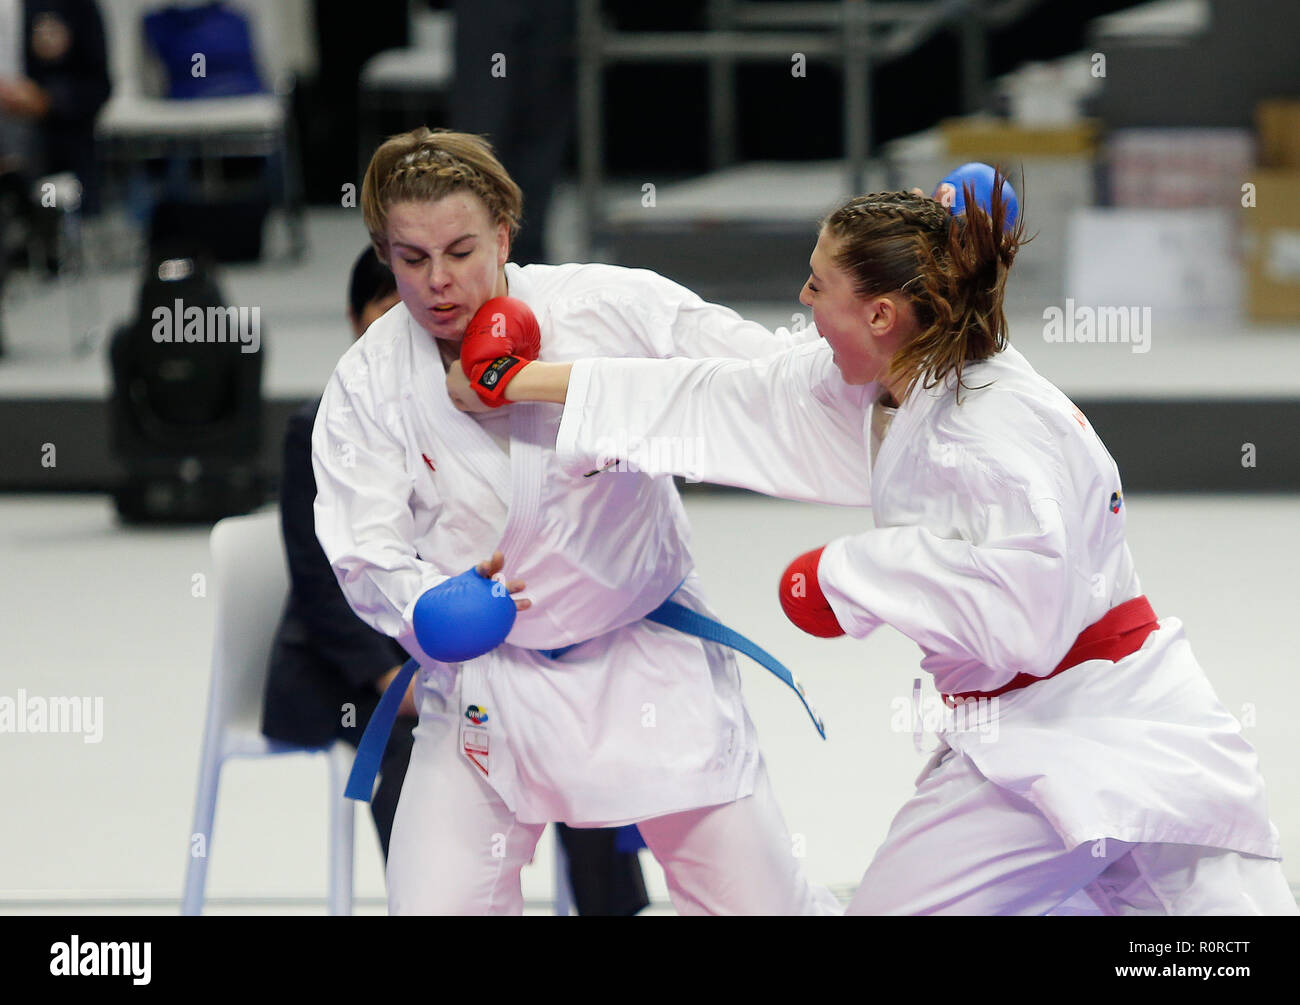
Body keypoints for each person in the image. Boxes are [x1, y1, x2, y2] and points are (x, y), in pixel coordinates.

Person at [481, 183, 1299, 916]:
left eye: (817, 283)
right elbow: (713, 393)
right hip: (1040, 728)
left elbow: (1029, 605)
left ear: (879, 314)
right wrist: (525, 380)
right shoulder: (898, 384)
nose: (801, 298)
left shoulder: (995, 431)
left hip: (1089, 726)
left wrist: (847, 575)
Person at [310, 127, 838, 915]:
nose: (439, 282)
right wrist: (425, 604)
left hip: (648, 657)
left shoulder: (604, 309)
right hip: (491, 685)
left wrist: (894, 350)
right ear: (384, 254)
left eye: (460, 251)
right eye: (411, 259)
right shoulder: (368, 384)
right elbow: (362, 544)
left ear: (503, 234)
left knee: (765, 907)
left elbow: (756, 373)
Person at [263, 247, 414, 861]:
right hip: (342, 672)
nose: (402, 318)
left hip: (435, 651)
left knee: (565, 712)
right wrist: (389, 676)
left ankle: (613, 908)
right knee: (414, 749)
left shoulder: (456, 413)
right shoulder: (316, 429)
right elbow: (318, 584)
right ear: (355, 319)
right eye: (387, 303)